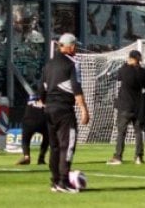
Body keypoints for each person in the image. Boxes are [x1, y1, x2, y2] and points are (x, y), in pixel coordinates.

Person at [40, 32, 91, 194]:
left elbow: (41, 89)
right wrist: (84, 110)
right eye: (74, 45)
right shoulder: (72, 64)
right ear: (70, 47)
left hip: (49, 110)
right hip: (64, 110)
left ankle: (54, 181)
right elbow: (76, 89)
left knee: (54, 146)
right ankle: (63, 182)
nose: (76, 48)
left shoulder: (48, 65)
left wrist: (47, 104)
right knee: (67, 145)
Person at [109, 49, 145, 165]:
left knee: (121, 132)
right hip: (139, 106)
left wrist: (127, 64)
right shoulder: (144, 72)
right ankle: (139, 157)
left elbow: (119, 77)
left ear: (131, 59)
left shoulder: (124, 70)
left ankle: (118, 156)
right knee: (138, 132)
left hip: (125, 105)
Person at [15, 91, 50, 167]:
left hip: (28, 122)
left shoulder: (30, 103)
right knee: (47, 138)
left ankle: (26, 156)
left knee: (25, 140)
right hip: (42, 122)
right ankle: (41, 158)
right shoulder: (47, 102)